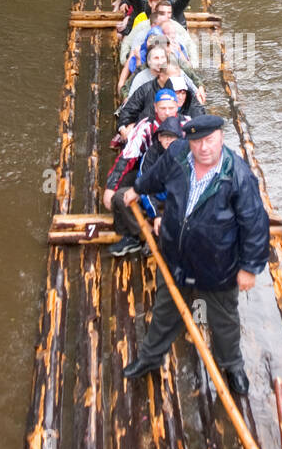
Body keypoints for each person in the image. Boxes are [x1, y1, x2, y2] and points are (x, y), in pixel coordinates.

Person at [120, 115, 270, 395]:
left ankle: (232, 365)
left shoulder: (237, 175)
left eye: (209, 140)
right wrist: (137, 190)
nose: (203, 147)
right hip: (176, 257)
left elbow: (255, 223)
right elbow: (156, 175)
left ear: (221, 138)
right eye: (197, 141)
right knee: (165, 311)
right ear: (188, 141)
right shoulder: (177, 154)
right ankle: (150, 358)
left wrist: (249, 267)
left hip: (217, 265)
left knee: (223, 319)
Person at [105, 114, 185, 256]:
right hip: (155, 196)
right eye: (165, 137)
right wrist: (155, 215)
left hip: (176, 201)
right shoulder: (152, 154)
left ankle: (164, 239)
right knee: (119, 197)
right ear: (159, 137)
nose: (168, 141)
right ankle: (136, 236)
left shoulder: (186, 157)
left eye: (172, 137)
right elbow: (144, 183)